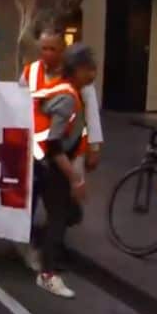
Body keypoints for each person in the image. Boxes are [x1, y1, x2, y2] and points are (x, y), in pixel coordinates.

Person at [16, 27, 104, 272]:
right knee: (39, 200)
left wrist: (95, 146)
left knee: (68, 206)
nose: (46, 53)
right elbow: (14, 102)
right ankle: (39, 248)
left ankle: (52, 244)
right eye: (43, 48)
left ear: (62, 50)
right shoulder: (31, 72)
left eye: (52, 48)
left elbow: (91, 115)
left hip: (70, 149)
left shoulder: (78, 77)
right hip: (38, 150)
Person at [32, 43, 96, 299]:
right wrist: (74, 178)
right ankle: (47, 274)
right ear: (77, 69)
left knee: (70, 213)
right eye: (89, 68)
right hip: (48, 165)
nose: (93, 73)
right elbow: (54, 144)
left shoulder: (75, 93)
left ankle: (43, 245)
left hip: (53, 163)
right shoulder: (67, 97)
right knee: (60, 216)